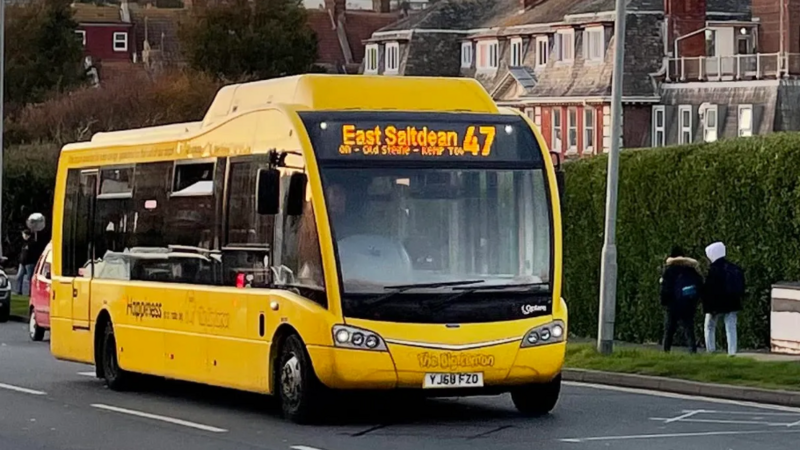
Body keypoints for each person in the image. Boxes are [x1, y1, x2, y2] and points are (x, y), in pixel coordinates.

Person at [702, 241, 745, 355]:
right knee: (731, 327)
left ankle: (711, 350)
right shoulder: (734, 268)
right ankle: (732, 352)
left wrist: (707, 306)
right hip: (733, 302)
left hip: (716, 304)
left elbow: (709, 289)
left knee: (709, 326)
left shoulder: (713, 270)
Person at [659, 246, 702, 353]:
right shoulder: (691, 270)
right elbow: (699, 285)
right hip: (688, 303)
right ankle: (692, 350)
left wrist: (664, 301)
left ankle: (666, 350)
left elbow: (665, 288)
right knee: (688, 328)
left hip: (673, 304)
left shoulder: (669, 271)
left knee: (669, 329)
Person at [16, 230, 39, 295]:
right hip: (22, 263)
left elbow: (34, 253)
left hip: (29, 263)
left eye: (23, 234)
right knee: (19, 277)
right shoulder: (24, 243)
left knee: (29, 278)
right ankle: (19, 291)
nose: (23, 236)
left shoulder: (32, 243)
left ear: (27, 235)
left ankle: (30, 292)